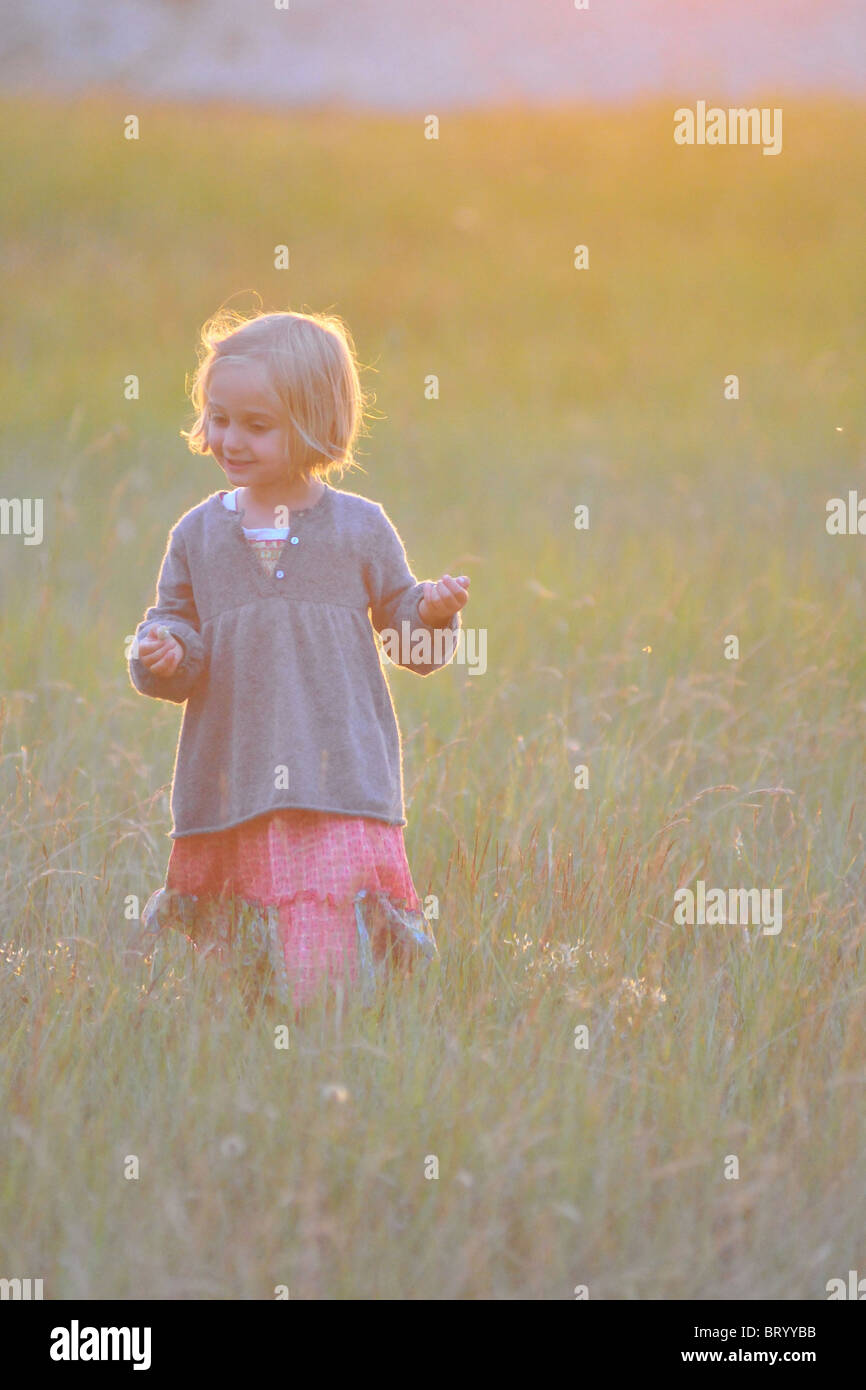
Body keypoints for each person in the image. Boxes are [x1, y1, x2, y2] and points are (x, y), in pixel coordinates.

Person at [127, 306, 469, 1017]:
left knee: (326, 934)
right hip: (234, 774)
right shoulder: (198, 535)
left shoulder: (359, 528)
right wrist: (163, 650)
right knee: (236, 950)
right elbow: (179, 634)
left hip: (337, 774)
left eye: (258, 425)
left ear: (314, 423)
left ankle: (334, 1041)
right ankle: (247, 1038)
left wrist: (430, 614)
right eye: (219, 418)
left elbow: (408, 643)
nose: (230, 439)